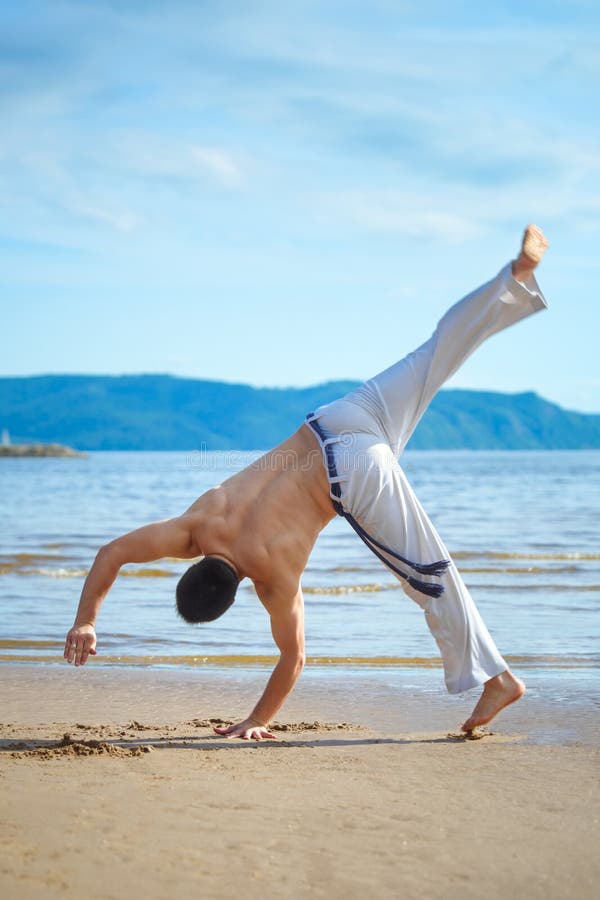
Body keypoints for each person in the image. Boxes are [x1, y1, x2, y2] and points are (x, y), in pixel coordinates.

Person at [65, 225, 549, 740]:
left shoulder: (273, 581)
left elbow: (293, 658)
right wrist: (85, 621)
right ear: (190, 564)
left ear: (235, 597)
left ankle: (497, 678)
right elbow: (111, 553)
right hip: (339, 418)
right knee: (436, 351)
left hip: (351, 474)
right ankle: (513, 279)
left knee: (427, 575)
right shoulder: (197, 524)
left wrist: (256, 721)